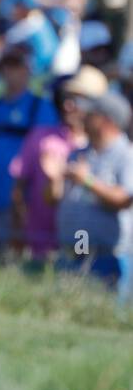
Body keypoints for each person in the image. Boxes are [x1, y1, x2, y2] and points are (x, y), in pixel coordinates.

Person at [10, 68, 102, 263]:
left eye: (77, 100)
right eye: (67, 98)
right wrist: (18, 234)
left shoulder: (103, 149)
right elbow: (19, 191)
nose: (67, 105)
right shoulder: (40, 137)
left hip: (84, 249)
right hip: (40, 248)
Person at [47, 90, 133, 295]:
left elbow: (125, 199)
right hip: (72, 251)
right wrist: (53, 178)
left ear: (106, 121)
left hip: (106, 256)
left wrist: (87, 181)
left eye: (90, 113)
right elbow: (54, 199)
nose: (82, 116)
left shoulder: (126, 155)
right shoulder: (79, 152)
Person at [0, 45, 57, 255]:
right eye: (6, 66)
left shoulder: (40, 107)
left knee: (16, 261)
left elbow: (47, 155)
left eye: (16, 65)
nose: (10, 71)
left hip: (21, 204)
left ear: (28, 70)